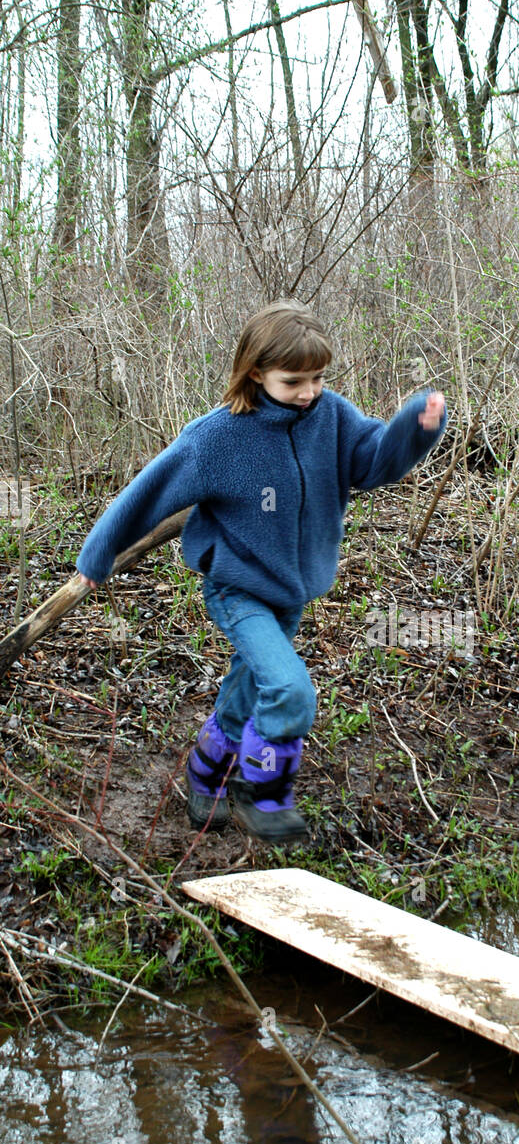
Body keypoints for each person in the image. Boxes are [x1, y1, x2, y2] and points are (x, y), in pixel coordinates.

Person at [76, 300, 447, 844]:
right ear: (255, 372)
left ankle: (205, 776)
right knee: (291, 690)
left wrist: (414, 428)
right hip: (238, 588)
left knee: (250, 688)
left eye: (318, 377)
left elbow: (373, 463)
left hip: (290, 591)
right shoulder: (217, 438)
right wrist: (97, 555)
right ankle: (263, 790)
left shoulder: (333, 417)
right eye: (294, 380)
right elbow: (148, 492)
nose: (309, 391)